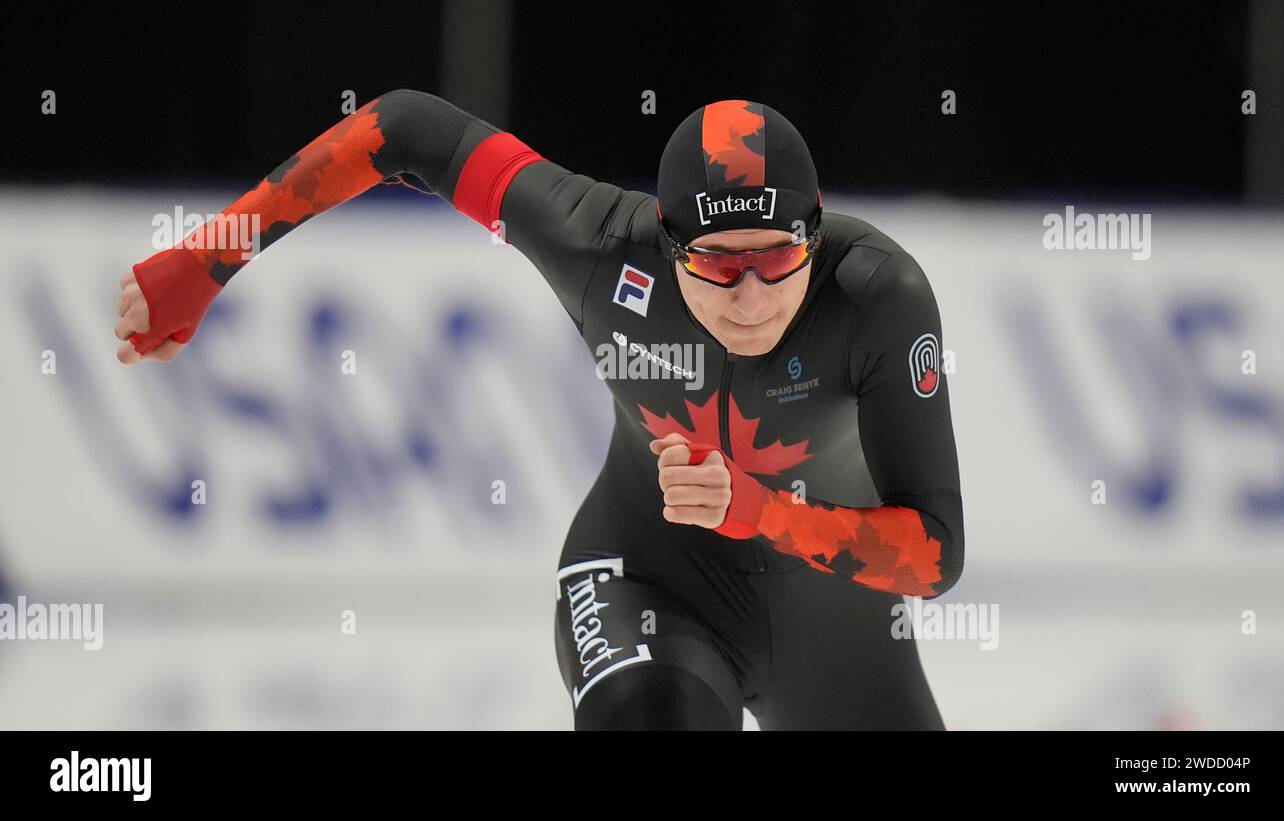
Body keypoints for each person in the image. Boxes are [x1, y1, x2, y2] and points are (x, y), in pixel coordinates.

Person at [114, 90, 964, 730]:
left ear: (815, 231)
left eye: (777, 259)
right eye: (714, 265)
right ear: (666, 246)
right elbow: (401, 128)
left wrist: (757, 509)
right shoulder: (593, 244)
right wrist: (209, 256)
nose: (749, 298)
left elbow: (934, 556)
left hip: (836, 619)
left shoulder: (877, 296)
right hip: (649, 584)